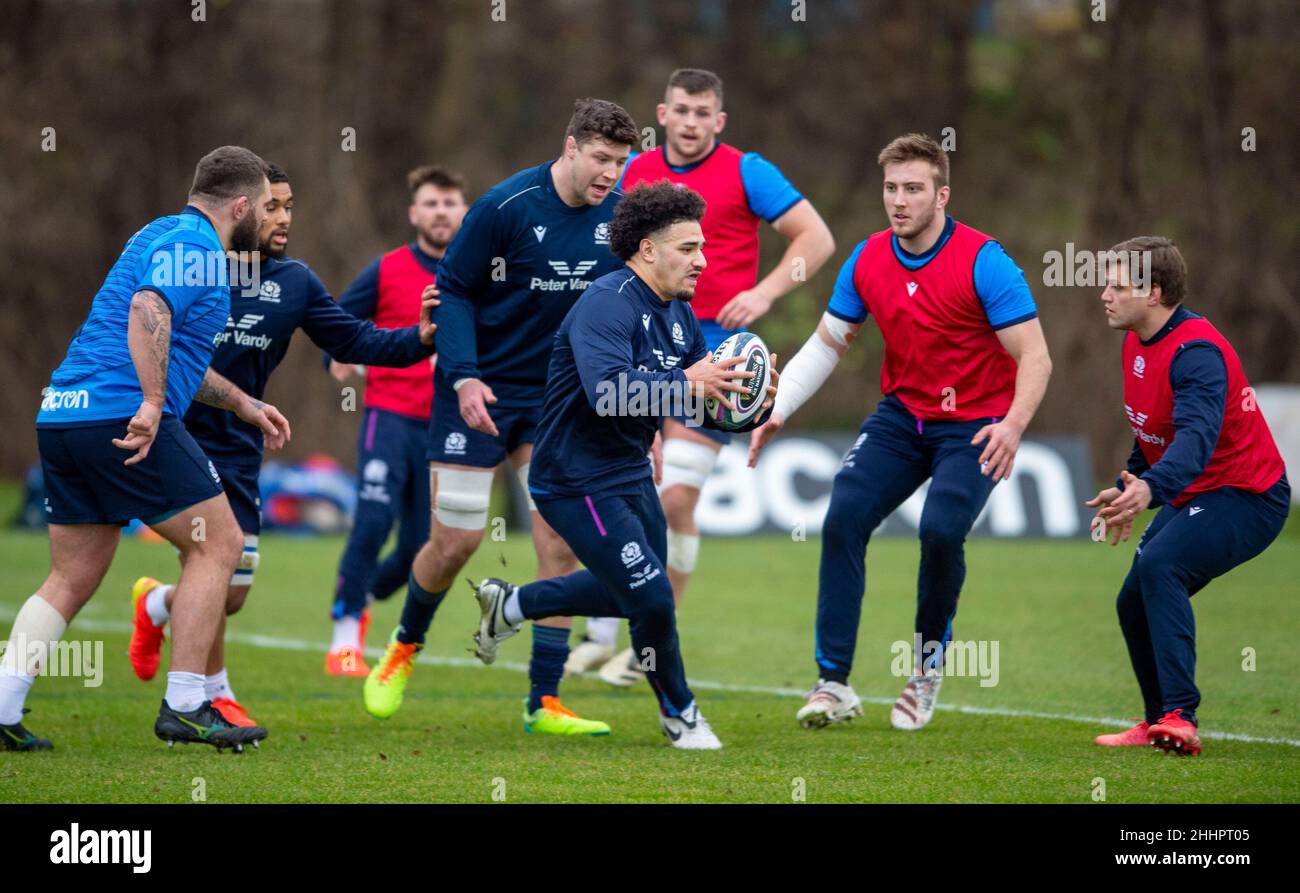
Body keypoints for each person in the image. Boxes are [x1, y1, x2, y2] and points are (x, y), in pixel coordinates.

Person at [749, 133, 1053, 731]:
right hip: (903, 418)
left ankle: (926, 670)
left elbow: (1036, 357)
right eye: (891, 187)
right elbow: (830, 342)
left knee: (941, 532)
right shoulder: (867, 258)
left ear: (942, 194)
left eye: (913, 188)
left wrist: (1014, 425)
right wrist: (778, 407)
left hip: (976, 425)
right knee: (843, 518)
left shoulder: (984, 261)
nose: (899, 200)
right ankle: (833, 682)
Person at [127, 163, 439, 727]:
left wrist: (418, 337)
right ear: (243, 207)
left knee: (232, 592)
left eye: (290, 206)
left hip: (241, 447)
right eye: (272, 206)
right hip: (178, 434)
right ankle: (210, 693)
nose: (283, 217)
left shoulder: (294, 282)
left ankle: (155, 605)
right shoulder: (198, 264)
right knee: (211, 566)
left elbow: (354, 338)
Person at [468, 180, 776, 749]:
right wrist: (688, 383)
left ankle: (511, 603)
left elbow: (695, 396)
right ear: (648, 250)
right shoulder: (607, 303)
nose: (702, 260)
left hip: (628, 470)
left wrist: (746, 401)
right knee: (653, 596)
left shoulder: (678, 314)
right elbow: (608, 393)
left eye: (703, 247)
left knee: (635, 593)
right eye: (689, 248)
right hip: (573, 477)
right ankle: (679, 714)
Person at [363, 99, 637, 736]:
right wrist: (462, 376)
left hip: (556, 403)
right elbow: (452, 292)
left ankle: (543, 701)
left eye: (620, 162)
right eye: (601, 158)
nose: (610, 173)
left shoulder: (619, 216)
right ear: (570, 148)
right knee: (454, 540)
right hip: (477, 391)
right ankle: (403, 648)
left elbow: (628, 299)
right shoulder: (504, 207)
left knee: (560, 542)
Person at [3, 146, 273, 751]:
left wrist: (242, 403)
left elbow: (169, 345)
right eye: (263, 205)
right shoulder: (200, 247)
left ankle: (2, 706)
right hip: (121, 414)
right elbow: (147, 310)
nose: (266, 216)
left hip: (64, 414)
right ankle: (186, 704)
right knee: (220, 543)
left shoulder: (159, 233)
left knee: (70, 577)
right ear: (239, 205)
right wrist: (152, 404)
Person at [580, 68, 834, 687]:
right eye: (682, 110)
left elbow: (817, 237)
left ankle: (651, 642)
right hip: (639, 351)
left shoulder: (748, 171)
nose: (691, 122)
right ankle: (601, 632)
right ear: (661, 114)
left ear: (719, 122)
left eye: (704, 113)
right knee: (623, 492)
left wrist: (766, 292)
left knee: (675, 500)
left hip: (714, 357)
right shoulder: (631, 172)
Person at [1087, 236, 1289, 756]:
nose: (1104, 295)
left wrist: (1153, 487)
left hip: (1247, 494)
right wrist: (1133, 481)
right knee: (1132, 602)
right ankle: (1158, 720)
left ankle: (1181, 715)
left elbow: (1195, 440)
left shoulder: (1197, 353)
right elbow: (1152, 427)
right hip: (1196, 489)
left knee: (1160, 566)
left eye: (1117, 285)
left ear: (1154, 293)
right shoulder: (1137, 339)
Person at [324, 165, 468, 675]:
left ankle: (366, 592)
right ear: (414, 213)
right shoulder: (386, 269)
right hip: (389, 418)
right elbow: (334, 325)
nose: (441, 212)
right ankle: (344, 636)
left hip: (446, 429)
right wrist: (339, 358)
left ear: (463, 211)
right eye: (431, 204)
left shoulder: (479, 270)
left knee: (417, 546)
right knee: (371, 522)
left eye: (450, 204)